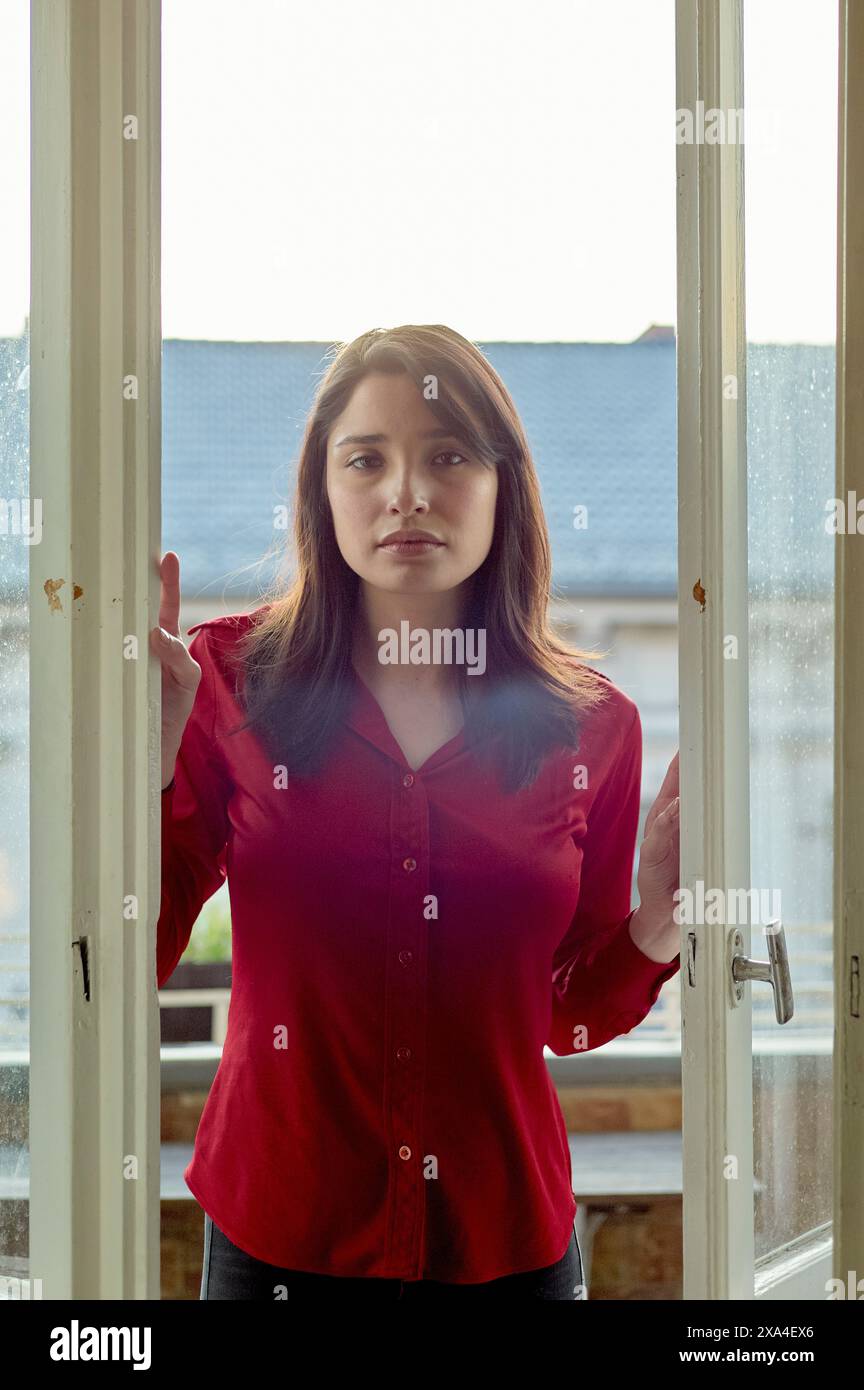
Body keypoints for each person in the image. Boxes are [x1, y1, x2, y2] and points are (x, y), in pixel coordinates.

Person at [151, 324, 682, 1301]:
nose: (407, 492)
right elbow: (130, 953)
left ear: (501, 486)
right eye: (367, 458)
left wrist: (655, 920)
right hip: (280, 1240)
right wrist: (134, 776)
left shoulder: (596, 728)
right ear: (322, 488)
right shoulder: (220, 683)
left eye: (448, 454)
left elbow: (564, 1008)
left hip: (504, 1249)